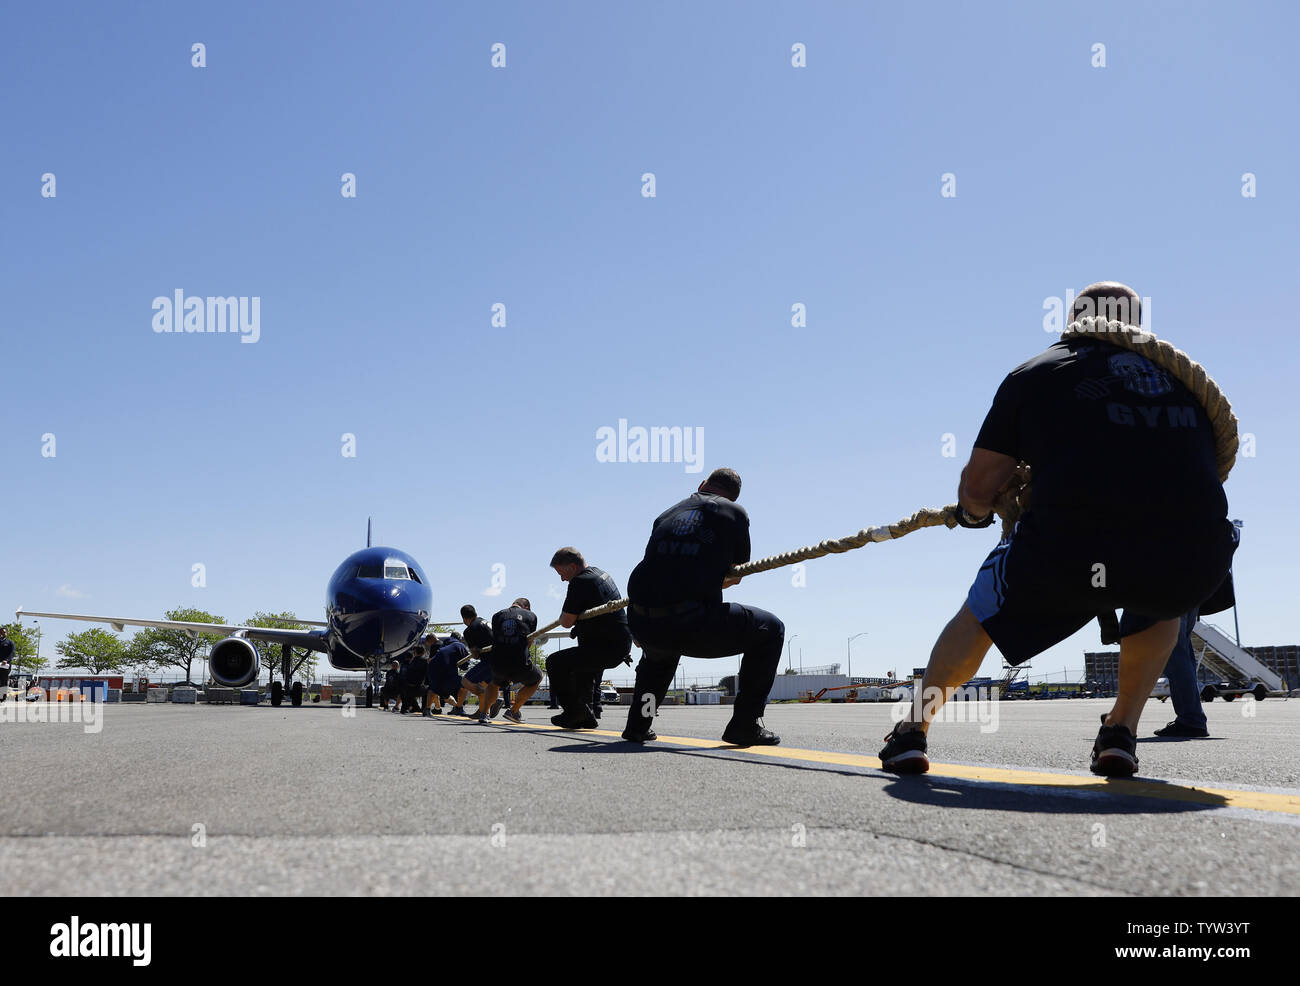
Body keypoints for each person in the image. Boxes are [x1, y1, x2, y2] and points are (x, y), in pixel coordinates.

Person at [880, 282, 1237, 777]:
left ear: (1072, 319)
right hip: (1195, 559)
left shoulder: (1038, 372)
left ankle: (912, 731)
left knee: (984, 604)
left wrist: (975, 513)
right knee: (1162, 600)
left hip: (1071, 549)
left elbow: (980, 484)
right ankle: (1120, 733)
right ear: (1138, 321)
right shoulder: (1186, 384)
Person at [622, 467, 785, 747]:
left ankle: (639, 725)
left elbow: (660, 566)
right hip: (689, 622)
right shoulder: (735, 513)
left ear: (701, 485)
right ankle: (744, 725)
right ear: (733, 497)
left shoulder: (666, 513)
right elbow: (734, 576)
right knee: (771, 629)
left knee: (658, 660)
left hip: (642, 620)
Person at [546, 548, 633, 729]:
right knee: (583, 671)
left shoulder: (580, 581)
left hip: (606, 647)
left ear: (571, 566)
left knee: (554, 663)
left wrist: (571, 618)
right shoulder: (601, 574)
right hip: (617, 643)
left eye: (562, 574)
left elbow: (566, 621)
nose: (562, 579)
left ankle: (574, 712)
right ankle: (586, 716)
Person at [476, 599, 542, 724]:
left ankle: (484, 713)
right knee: (537, 676)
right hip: (520, 662)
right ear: (526, 607)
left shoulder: (497, 616)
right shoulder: (531, 615)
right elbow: (529, 641)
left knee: (494, 682)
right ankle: (513, 711)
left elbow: (496, 638)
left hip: (498, 662)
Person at [453, 604, 503, 718]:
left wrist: (476, 651)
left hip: (490, 660)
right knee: (484, 684)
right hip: (501, 659)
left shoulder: (469, 630)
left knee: (466, 682)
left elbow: (475, 655)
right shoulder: (486, 622)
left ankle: (492, 701)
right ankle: (482, 711)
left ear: (464, 619)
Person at [427, 633, 468, 715]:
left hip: (433, 669)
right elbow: (465, 666)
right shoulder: (459, 645)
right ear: (459, 639)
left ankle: (427, 710)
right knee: (465, 684)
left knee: (434, 689)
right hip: (448, 672)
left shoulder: (443, 645)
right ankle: (459, 708)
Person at [404, 645, 429, 715]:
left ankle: (410, 707)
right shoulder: (424, 661)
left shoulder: (411, 662)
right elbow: (428, 674)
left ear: (415, 652)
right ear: (424, 652)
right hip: (418, 688)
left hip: (408, 688)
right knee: (429, 690)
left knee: (410, 693)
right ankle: (425, 708)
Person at [0, 627, 14, 703]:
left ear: (7, 633)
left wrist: (7, 660)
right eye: (1, 632)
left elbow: (12, 653)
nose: (3, 633)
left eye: (4, 632)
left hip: (5, 665)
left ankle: (3, 698)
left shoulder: (10, 643)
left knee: (4, 681)